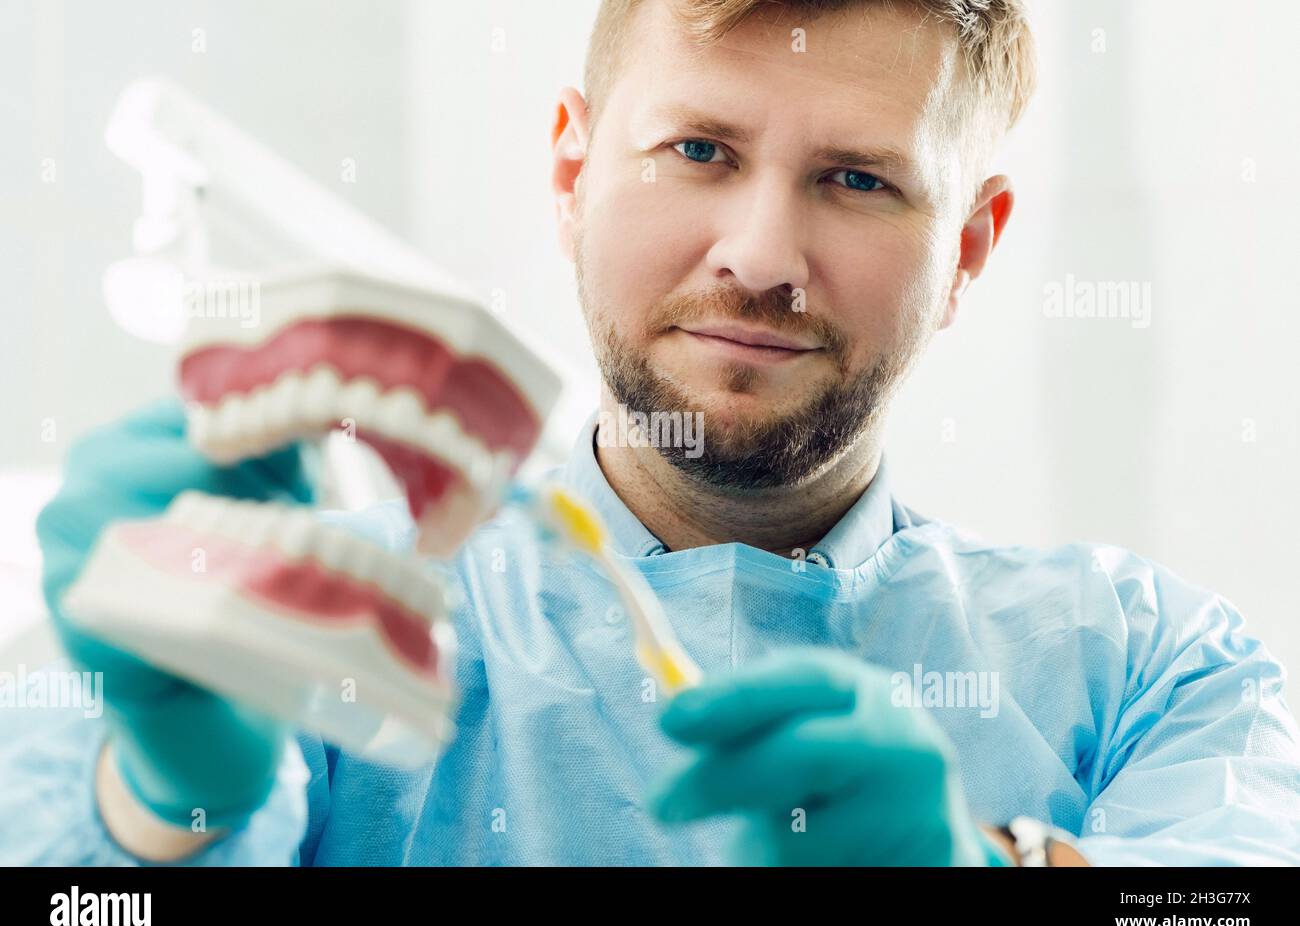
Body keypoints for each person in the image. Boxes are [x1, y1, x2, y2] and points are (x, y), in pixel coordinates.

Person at [4, 0, 1299, 866]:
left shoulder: (1151, 672)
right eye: (696, 150)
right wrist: (163, 799)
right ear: (572, 175)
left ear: (968, 248)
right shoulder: (303, 623)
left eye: (857, 180)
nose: (760, 257)